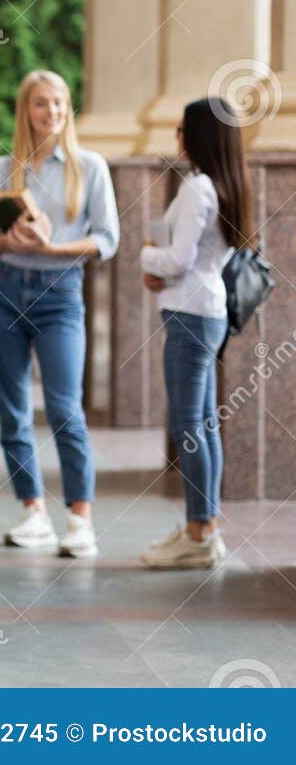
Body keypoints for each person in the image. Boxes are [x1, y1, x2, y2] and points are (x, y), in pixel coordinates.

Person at [0, 69, 118, 558]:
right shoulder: (3, 168)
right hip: (5, 294)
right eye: (40, 103)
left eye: (58, 103)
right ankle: (32, 511)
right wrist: (8, 239)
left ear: (67, 108)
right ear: (26, 110)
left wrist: (55, 248)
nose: (50, 112)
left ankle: (80, 517)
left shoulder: (90, 167)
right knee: (13, 412)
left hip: (61, 294)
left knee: (64, 409)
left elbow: (107, 240)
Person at [139, 97, 255, 569]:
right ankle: (202, 527)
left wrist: (147, 257)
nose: (177, 138)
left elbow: (179, 259)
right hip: (205, 311)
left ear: (200, 135)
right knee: (202, 424)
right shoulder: (227, 185)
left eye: (183, 129)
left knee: (190, 425)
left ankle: (199, 533)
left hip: (190, 314)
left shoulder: (198, 188)